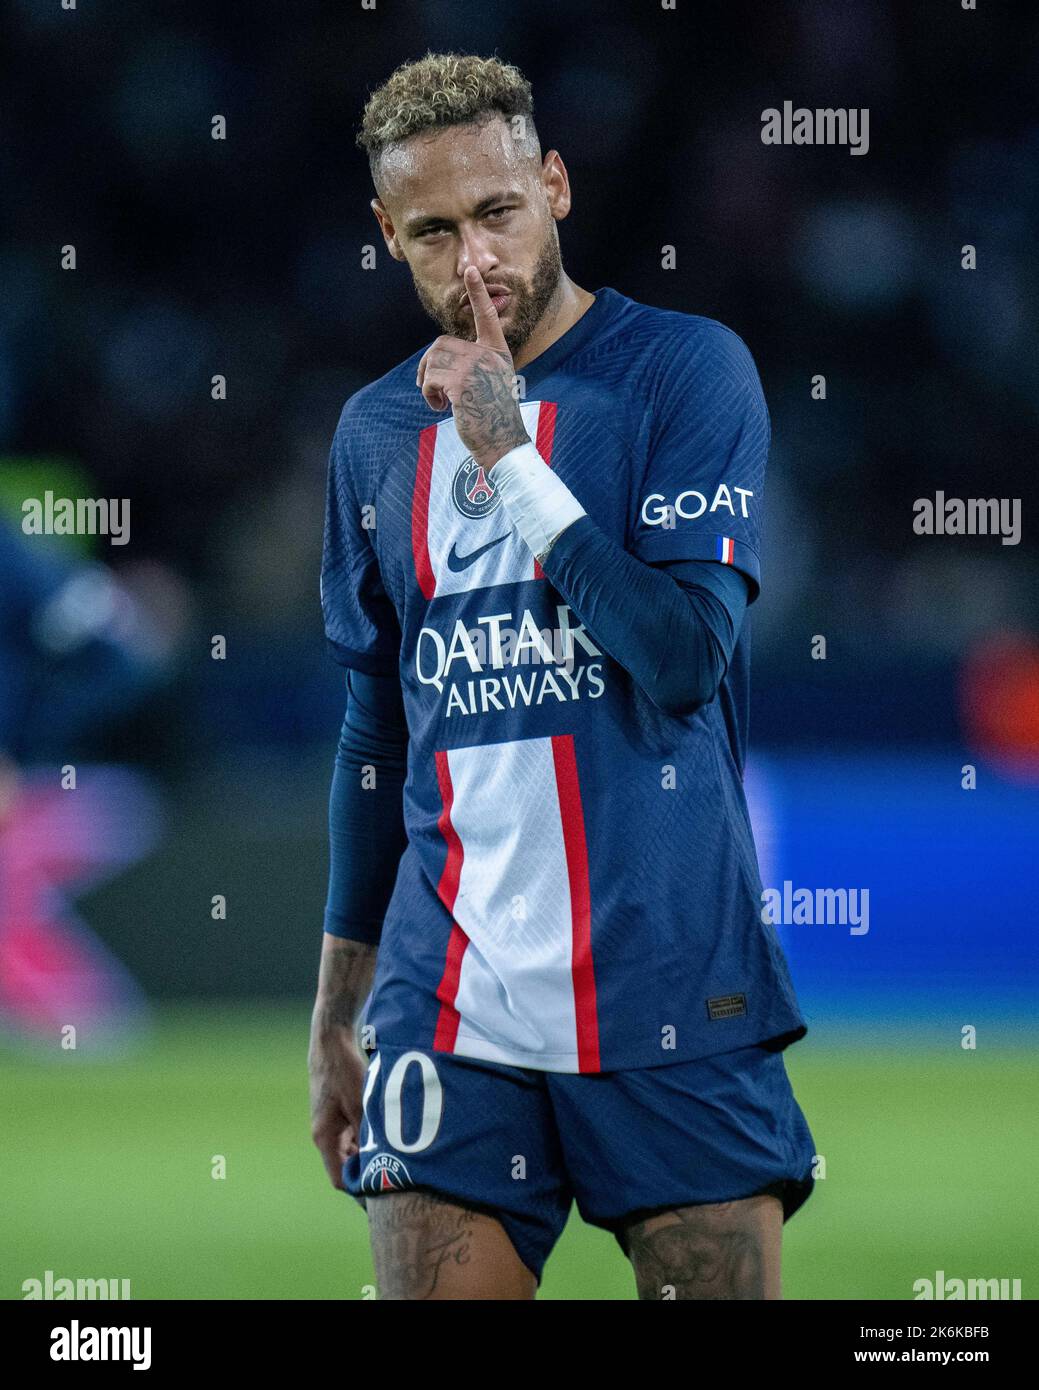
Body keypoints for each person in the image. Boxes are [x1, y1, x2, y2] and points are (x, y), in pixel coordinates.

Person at [309, 51, 815, 1300]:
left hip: (669, 981)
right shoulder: (373, 435)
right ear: (388, 236)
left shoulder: (684, 373)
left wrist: (509, 453)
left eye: (497, 213)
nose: (472, 258)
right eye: (432, 231)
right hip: (449, 996)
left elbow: (685, 657)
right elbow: (376, 733)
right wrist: (336, 1013)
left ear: (555, 186)